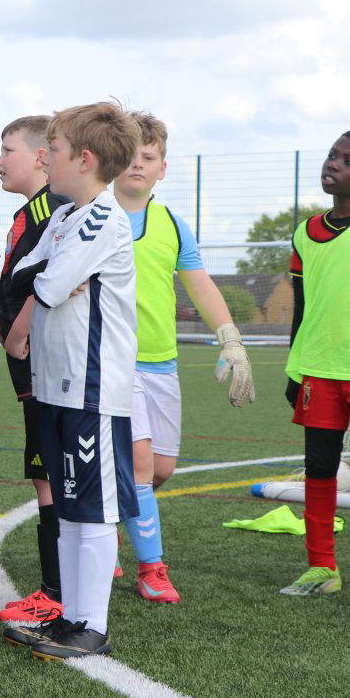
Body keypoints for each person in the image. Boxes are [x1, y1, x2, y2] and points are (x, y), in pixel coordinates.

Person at [3, 101, 140, 659]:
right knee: (67, 506)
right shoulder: (61, 218)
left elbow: (50, 286)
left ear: (84, 159)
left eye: (52, 151)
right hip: (56, 384)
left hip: (92, 388)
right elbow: (20, 270)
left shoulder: (106, 218)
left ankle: (93, 625)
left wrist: (51, 280)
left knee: (93, 509)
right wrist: (50, 279)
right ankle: (71, 617)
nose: (44, 159)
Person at [113, 111, 255, 601]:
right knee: (138, 464)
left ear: (162, 168)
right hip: (114, 362)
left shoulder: (172, 222)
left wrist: (230, 338)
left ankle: (108, 517)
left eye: (147, 157)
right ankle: (152, 568)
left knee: (161, 470)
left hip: (161, 363)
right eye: (129, 156)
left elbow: (199, 283)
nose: (137, 164)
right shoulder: (95, 213)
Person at [282, 127, 350, 597]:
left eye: (349, 160)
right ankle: (322, 567)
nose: (334, 164)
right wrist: (294, 366)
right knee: (319, 469)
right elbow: (302, 306)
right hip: (318, 369)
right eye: (332, 155)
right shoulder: (305, 233)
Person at [0, 115, 71, 625]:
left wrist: (17, 329)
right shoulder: (29, 211)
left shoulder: (55, 211)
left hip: (46, 363)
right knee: (45, 476)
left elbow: (51, 283)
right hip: (30, 368)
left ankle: (57, 591)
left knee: (52, 477)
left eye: (7, 149)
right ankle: (59, 585)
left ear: (42, 156)